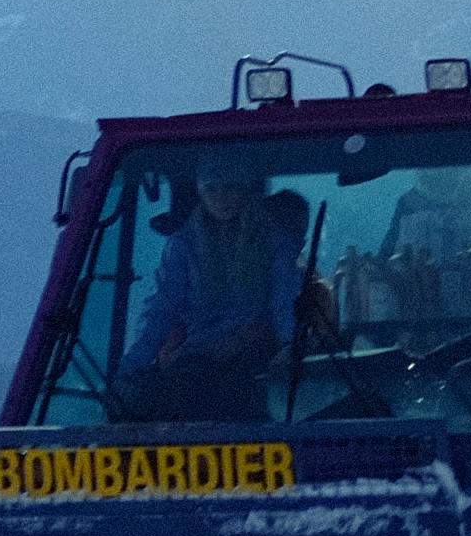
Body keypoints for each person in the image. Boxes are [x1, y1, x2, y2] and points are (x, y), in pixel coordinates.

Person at [116, 167, 319, 423]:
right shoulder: (183, 245)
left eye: (230, 187)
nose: (221, 197)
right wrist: (132, 367)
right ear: (200, 191)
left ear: (245, 189)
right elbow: (161, 306)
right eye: (212, 188)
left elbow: (285, 300)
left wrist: (289, 347)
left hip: (258, 363)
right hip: (197, 363)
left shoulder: (273, 242)